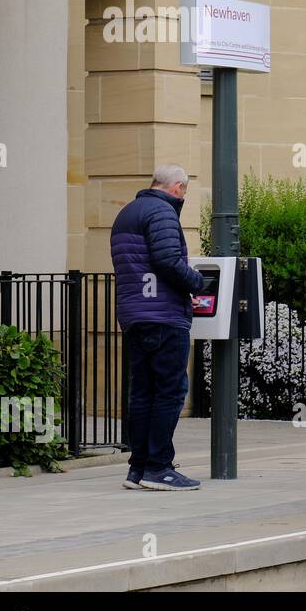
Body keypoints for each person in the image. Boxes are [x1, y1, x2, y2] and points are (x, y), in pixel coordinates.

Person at [110, 164, 207, 491]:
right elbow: (168, 261)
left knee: (143, 392)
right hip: (163, 316)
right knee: (170, 391)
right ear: (178, 187)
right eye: (184, 192)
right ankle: (158, 468)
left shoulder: (127, 213)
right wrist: (197, 282)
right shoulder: (162, 212)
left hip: (134, 316)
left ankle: (137, 469)